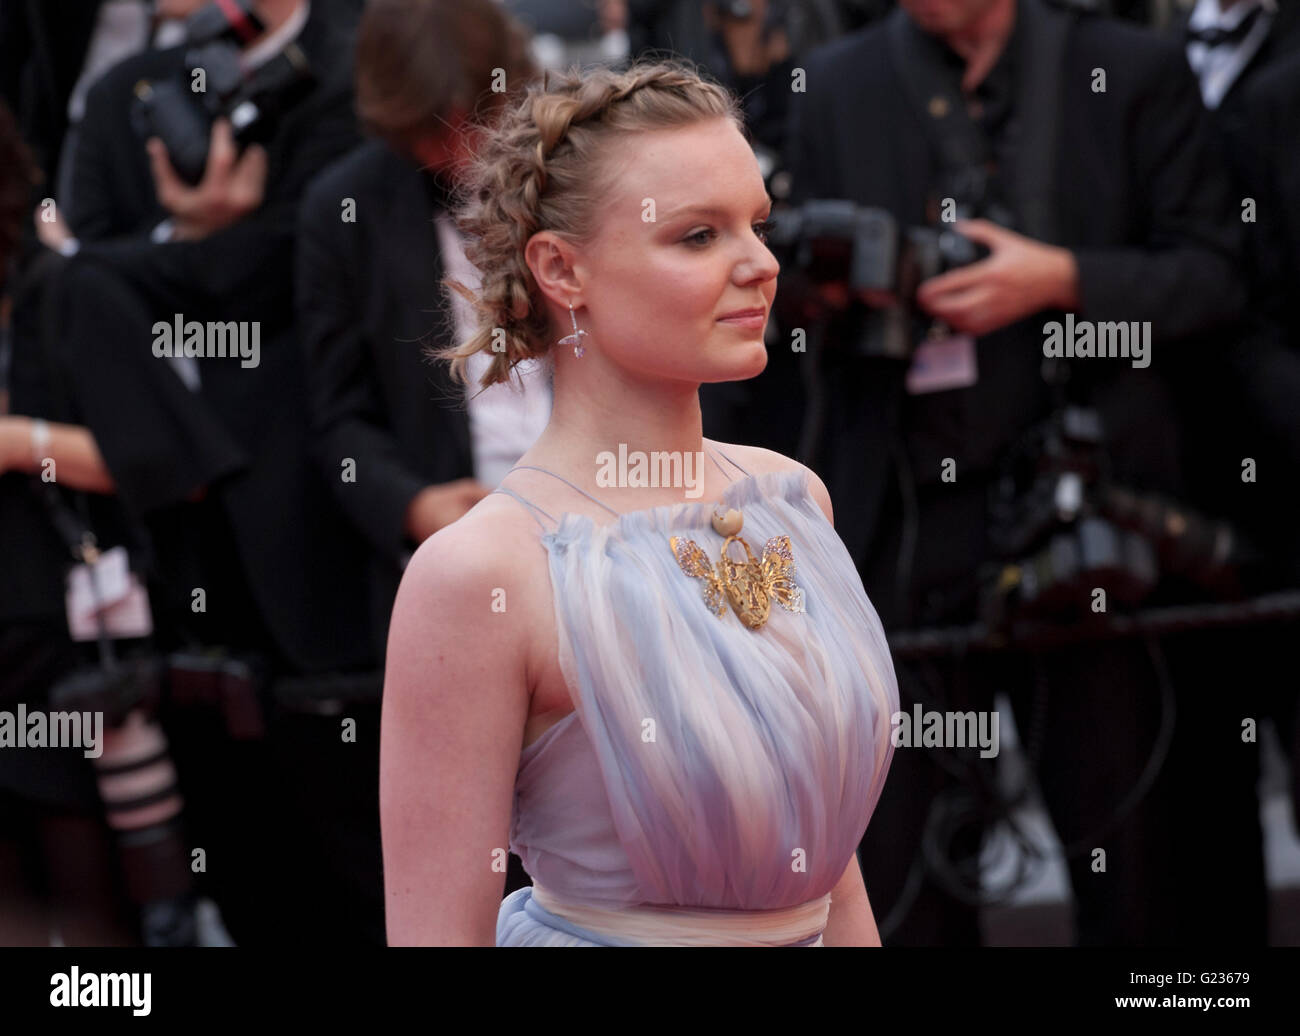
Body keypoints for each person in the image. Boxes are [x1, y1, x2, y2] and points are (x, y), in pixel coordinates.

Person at [379, 59, 900, 946]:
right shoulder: (484, 575)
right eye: (699, 236)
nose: (762, 265)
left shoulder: (793, 501)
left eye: (758, 225)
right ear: (561, 269)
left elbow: (828, 872)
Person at [782, 0, 1260, 945]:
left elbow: (1217, 279)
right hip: (903, 534)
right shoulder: (836, 85)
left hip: (1093, 525)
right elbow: (786, 302)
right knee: (903, 878)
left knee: (1134, 868)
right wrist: (832, 288)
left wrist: (1060, 280)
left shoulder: (1130, 72)